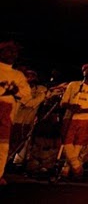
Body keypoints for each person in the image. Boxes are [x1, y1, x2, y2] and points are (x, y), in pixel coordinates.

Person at [59, 62, 88, 179]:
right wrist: (71, 106)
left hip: (86, 119)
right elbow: (63, 101)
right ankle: (76, 166)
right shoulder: (73, 85)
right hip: (70, 117)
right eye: (87, 70)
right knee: (67, 142)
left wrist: (82, 110)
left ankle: (66, 168)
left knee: (78, 144)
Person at [0, 40, 32, 185]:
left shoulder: (18, 75)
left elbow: (27, 95)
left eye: (14, 52)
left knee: (2, 145)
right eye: (9, 50)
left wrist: (15, 91)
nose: (12, 54)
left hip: (7, 114)